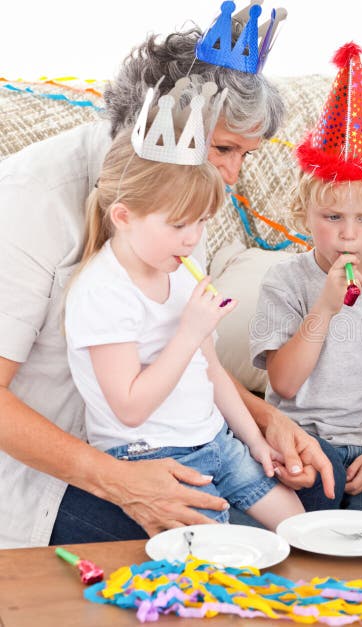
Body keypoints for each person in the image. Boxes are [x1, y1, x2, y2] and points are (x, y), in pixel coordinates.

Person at [0, 17, 332, 549]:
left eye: (245, 155)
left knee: (317, 503)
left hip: (176, 438)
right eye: (223, 149)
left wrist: (266, 421)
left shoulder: (183, 201)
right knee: (246, 548)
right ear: (156, 131)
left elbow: (185, 352)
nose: (232, 175)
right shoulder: (29, 200)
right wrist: (123, 484)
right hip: (57, 471)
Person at [65, 83, 305, 529]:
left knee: (299, 527)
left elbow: (209, 369)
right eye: (179, 224)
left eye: (202, 222)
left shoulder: (178, 264)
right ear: (123, 216)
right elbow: (130, 407)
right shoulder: (103, 292)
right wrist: (190, 332)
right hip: (153, 454)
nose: (193, 239)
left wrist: (255, 441)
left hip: (214, 436)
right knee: (222, 560)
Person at [249, 43, 362, 513]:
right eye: (332, 217)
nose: (348, 235)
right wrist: (325, 308)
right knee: (303, 534)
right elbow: (285, 384)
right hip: (302, 446)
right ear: (302, 210)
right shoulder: (284, 283)